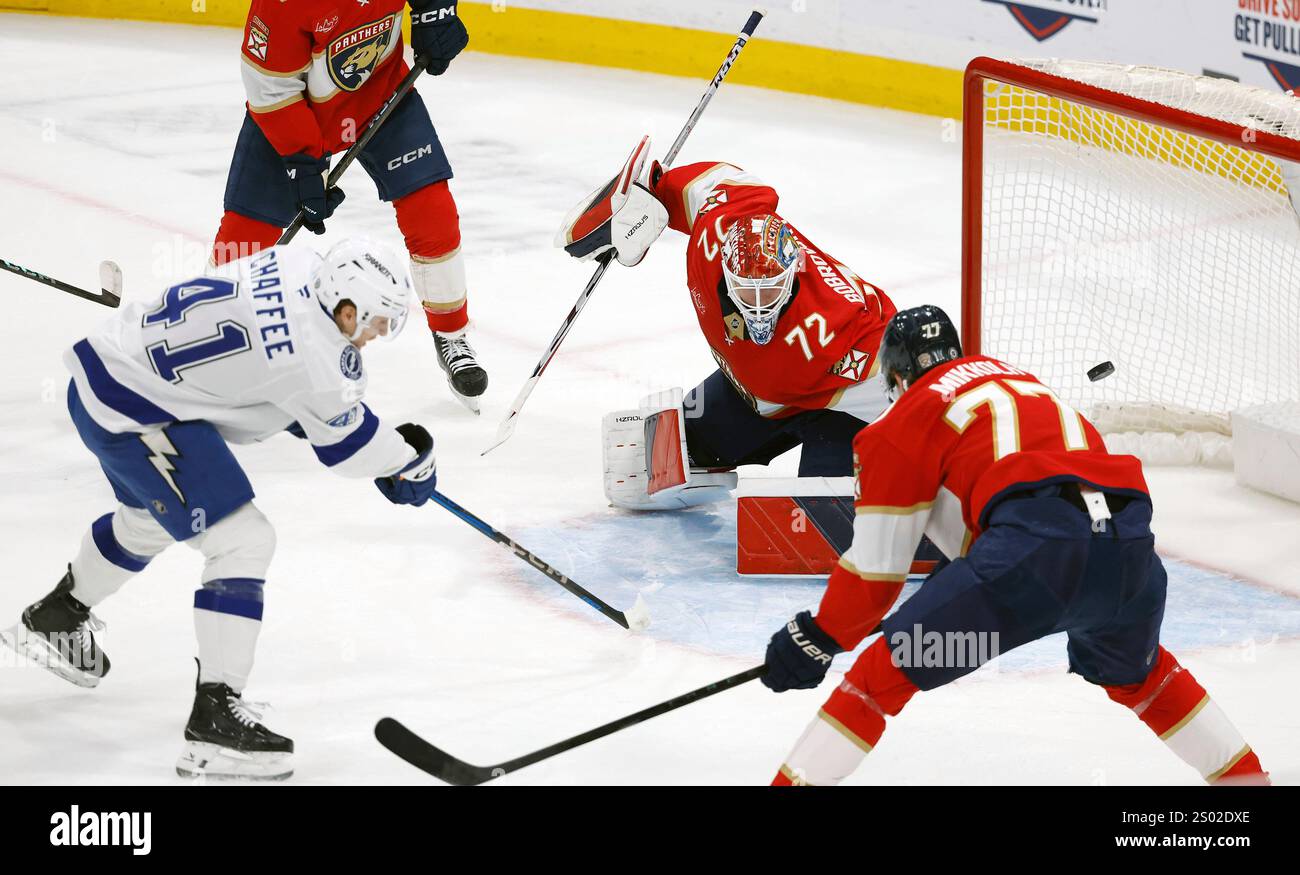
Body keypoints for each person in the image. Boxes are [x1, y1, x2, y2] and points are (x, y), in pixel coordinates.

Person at [760, 304, 1270, 786]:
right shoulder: (1024, 385)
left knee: (879, 676)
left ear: (895, 380)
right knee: (1141, 677)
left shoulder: (905, 418)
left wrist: (818, 636)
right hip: (1128, 558)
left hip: (1026, 572)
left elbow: (875, 576)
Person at [0, 238, 439, 781]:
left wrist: (298, 411)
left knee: (147, 520)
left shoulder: (301, 261)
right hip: (134, 414)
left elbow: (261, 365)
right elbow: (349, 448)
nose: (375, 336)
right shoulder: (319, 360)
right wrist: (409, 461)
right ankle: (214, 720)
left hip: (103, 375)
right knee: (243, 540)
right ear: (345, 308)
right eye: (374, 322)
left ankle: (56, 618)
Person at [558, 139, 897, 509]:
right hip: (760, 395)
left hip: (843, 405)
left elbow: (897, 375)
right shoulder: (715, 234)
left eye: (769, 292)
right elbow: (718, 182)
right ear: (725, 268)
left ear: (792, 271)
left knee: (825, 518)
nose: (758, 307)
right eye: (746, 292)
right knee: (669, 458)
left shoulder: (827, 329)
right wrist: (646, 203)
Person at [212, 0, 488, 410]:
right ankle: (215, 336)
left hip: (382, 95)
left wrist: (435, 12)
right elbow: (270, 87)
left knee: (433, 213)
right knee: (243, 241)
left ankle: (451, 335)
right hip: (293, 109)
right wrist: (304, 164)